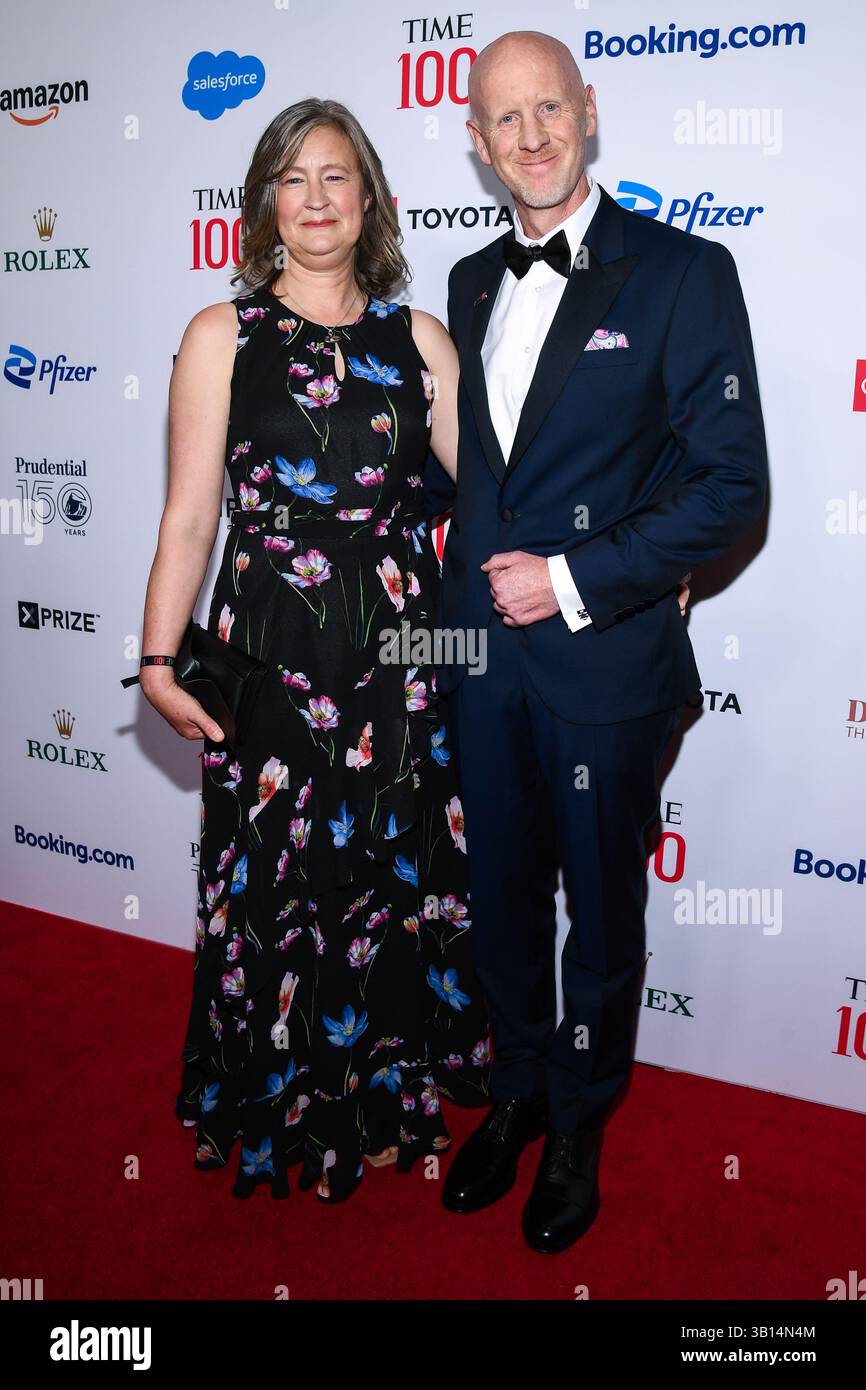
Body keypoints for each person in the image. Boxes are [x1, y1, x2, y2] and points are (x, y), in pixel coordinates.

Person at [426, 31, 768, 1252]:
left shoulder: (684, 271)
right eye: (501, 118)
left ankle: (579, 1117)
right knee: (502, 891)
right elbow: (480, 483)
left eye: (548, 109)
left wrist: (581, 578)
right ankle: (517, 1086)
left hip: (604, 655)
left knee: (602, 908)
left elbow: (730, 488)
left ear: (588, 111)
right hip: (480, 664)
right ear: (473, 139)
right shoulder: (466, 281)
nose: (528, 136)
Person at [137, 98, 491, 1204]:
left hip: (399, 653)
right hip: (274, 651)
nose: (318, 199)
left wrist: (627, 548)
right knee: (277, 884)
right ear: (265, 203)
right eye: (295, 179)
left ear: (371, 197)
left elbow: (496, 495)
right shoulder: (221, 336)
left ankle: (381, 1096)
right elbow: (190, 519)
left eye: (338, 176)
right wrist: (156, 663)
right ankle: (271, 1097)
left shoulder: (417, 339)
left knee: (387, 872)